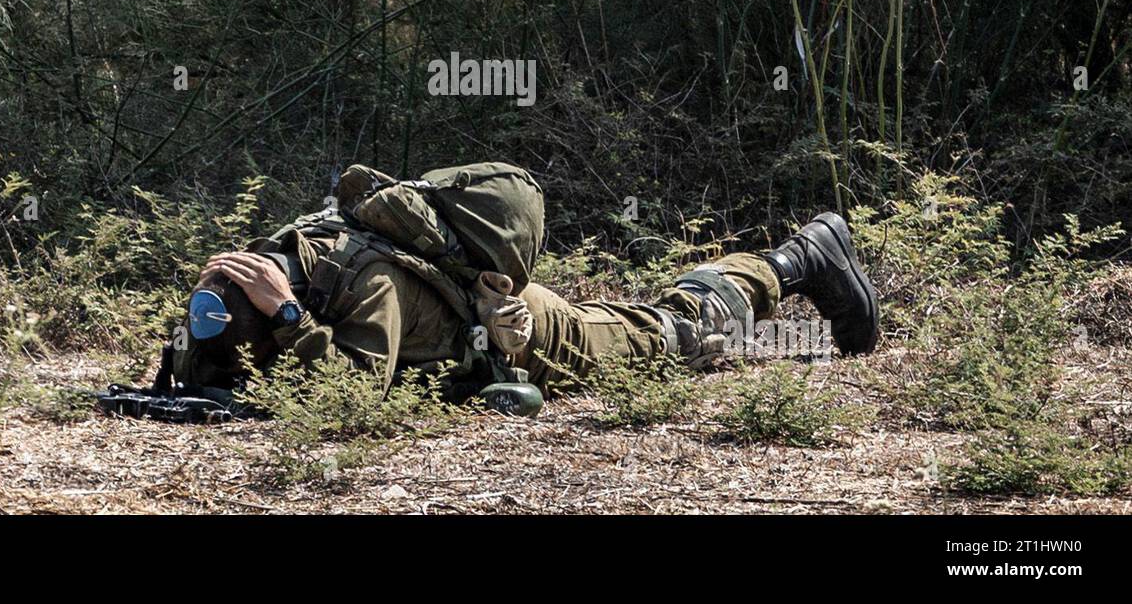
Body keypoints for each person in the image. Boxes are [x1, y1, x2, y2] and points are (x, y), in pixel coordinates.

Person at [181, 211, 878, 398]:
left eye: (273, 318)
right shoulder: (279, 267)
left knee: (676, 331)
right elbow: (218, 354)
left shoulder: (367, 283)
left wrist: (289, 324)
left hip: (540, 341)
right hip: (499, 332)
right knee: (670, 331)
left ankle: (801, 258)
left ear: (288, 295)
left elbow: (358, 392)